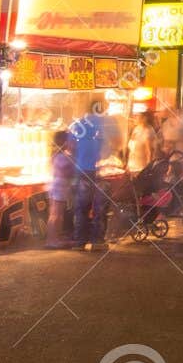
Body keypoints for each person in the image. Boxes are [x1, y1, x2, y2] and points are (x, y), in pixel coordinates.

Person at [70, 100, 112, 251]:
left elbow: (71, 148)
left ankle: (80, 242)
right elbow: (108, 149)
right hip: (97, 172)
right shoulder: (104, 124)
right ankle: (97, 241)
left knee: (81, 208)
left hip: (81, 171)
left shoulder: (78, 124)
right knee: (99, 208)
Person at [46, 131, 76, 248]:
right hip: (59, 187)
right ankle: (52, 240)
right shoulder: (62, 157)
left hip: (58, 187)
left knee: (56, 214)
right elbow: (69, 171)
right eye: (69, 140)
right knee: (56, 215)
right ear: (64, 142)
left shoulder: (57, 155)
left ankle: (54, 239)